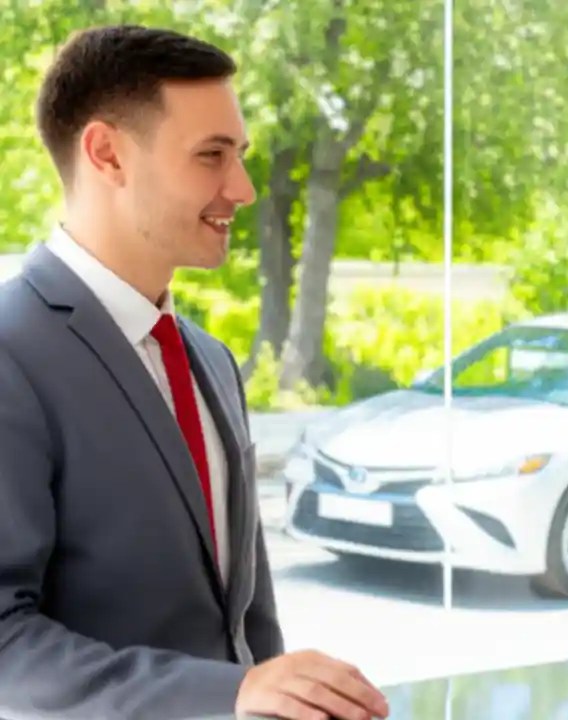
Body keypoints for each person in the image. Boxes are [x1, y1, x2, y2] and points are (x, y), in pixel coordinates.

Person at [0, 25, 387, 720]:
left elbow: (247, 624)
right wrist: (228, 692)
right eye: (211, 156)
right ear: (106, 153)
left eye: (238, 155)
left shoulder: (209, 360)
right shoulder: (9, 352)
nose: (240, 188)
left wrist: (279, 694)